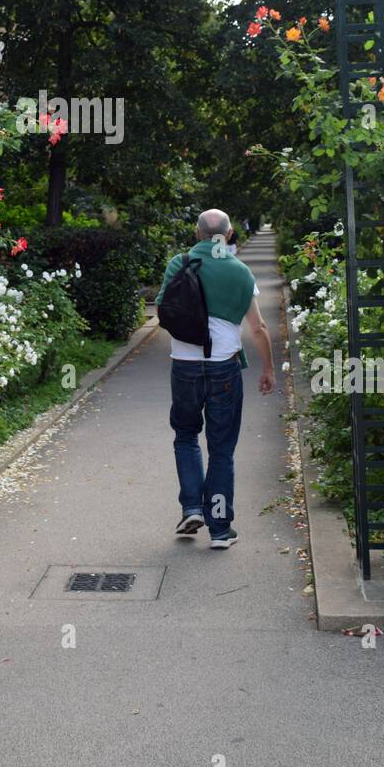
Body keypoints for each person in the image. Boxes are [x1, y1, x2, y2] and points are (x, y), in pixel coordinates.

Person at [155, 208, 275, 548]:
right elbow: (259, 328)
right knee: (221, 450)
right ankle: (220, 530)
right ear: (230, 233)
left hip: (184, 366)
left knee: (186, 436)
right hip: (224, 367)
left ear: (197, 234)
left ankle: (192, 507)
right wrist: (267, 369)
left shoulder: (179, 264)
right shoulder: (240, 272)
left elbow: (164, 308)